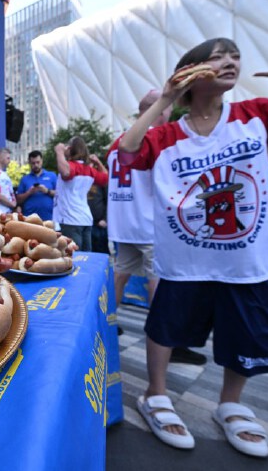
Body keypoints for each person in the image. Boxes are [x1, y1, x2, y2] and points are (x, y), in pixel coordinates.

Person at [119, 38, 268, 458]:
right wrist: (166, 96)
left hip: (249, 260)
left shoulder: (258, 115)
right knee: (165, 328)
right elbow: (126, 152)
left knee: (247, 337)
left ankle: (231, 403)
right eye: (218, 56)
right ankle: (156, 394)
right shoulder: (165, 135)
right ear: (191, 71)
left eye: (235, 55)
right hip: (186, 260)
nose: (231, 61)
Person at [107, 89, 207, 364]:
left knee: (121, 274)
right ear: (160, 110)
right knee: (157, 281)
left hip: (123, 221)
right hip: (149, 222)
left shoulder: (119, 141)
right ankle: (167, 341)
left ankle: (107, 325)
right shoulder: (156, 138)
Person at [53, 137, 107, 252]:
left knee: (73, 258)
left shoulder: (72, 166)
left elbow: (66, 172)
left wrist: (59, 152)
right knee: (86, 258)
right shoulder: (89, 170)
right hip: (85, 219)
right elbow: (105, 178)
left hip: (70, 220)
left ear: (71, 149)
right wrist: (98, 162)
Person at [15, 150, 56, 220]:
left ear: (42, 161)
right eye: (33, 163)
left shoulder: (52, 175)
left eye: (38, 162)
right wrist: (29, 192)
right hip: (29, 218)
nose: (36, 165)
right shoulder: (24, 179)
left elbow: (60, 194)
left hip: (49, 217)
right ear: (29, 163)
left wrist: (47, 191)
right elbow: (18, 200)